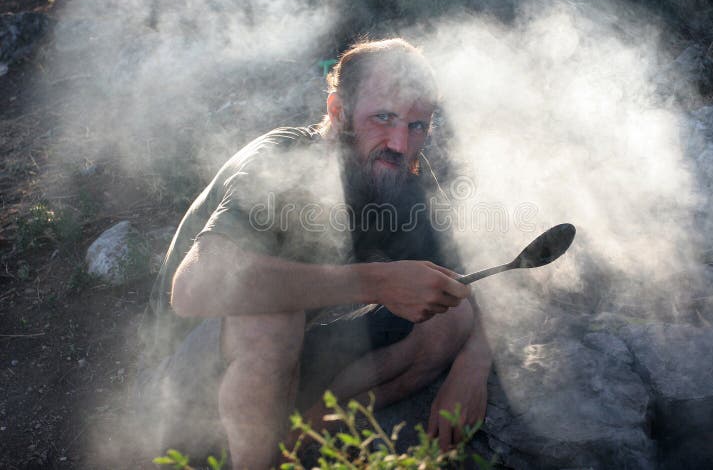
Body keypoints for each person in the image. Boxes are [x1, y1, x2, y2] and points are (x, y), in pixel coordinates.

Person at [135, 38, 492, 469]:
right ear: (338, 111)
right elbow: (193, 288)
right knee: (273, 318)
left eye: (418, 125)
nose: (401, 142)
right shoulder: (281, 160)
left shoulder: (394, 170)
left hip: (286, 366)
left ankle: (296, 439)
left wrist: (473, 364)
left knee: (451, 316)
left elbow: (458, 281)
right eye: (383, 118)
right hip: (187, 388)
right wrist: (377, 282)